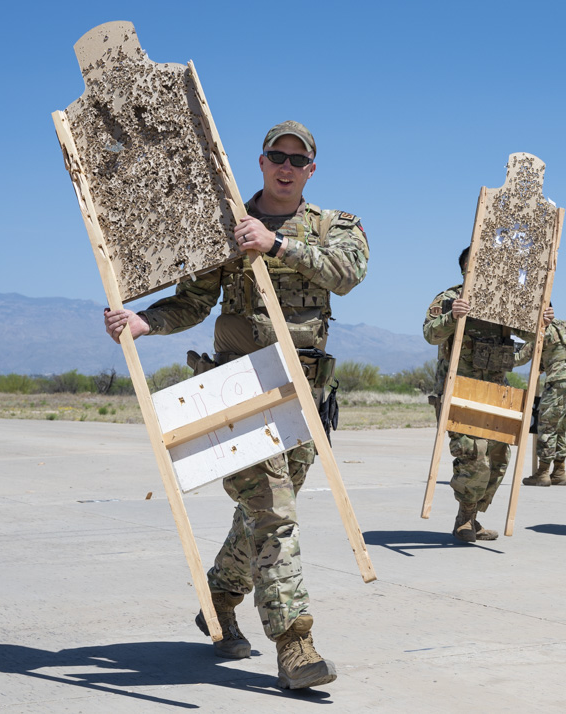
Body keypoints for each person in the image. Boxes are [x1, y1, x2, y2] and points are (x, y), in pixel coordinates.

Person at [103, 120, 368, 689]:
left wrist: (278, 245)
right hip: (237, 390)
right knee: (274, 513)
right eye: (277, 155)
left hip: (304, 393)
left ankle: (218, 600)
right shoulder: (222, 226)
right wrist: (145, 321)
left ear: (311, 170)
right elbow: (193, 302)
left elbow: (349, 273)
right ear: (261, 160)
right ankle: (295, 644)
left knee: (263, 513)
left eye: (298, 159)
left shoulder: (334, 225)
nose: (286, 166)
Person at [423, 247, 551, 542]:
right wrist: (452, 317)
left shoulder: (506, 301)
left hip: (496, 393)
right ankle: (465, 516)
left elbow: (534, 336)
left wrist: (541, 320)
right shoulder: (449, 299)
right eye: (474, 264)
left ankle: (474, 516)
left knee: (498, 458)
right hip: (460, 391)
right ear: (463, 268)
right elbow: (430, 335)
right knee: (472, 455)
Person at [522, 314, 566, 487]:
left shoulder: (543, 328)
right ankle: (559, 471)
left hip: (558, 382)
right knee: (560, 429)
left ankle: (542, 473)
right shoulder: (565, 326)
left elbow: (522, 356)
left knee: (547, 427)